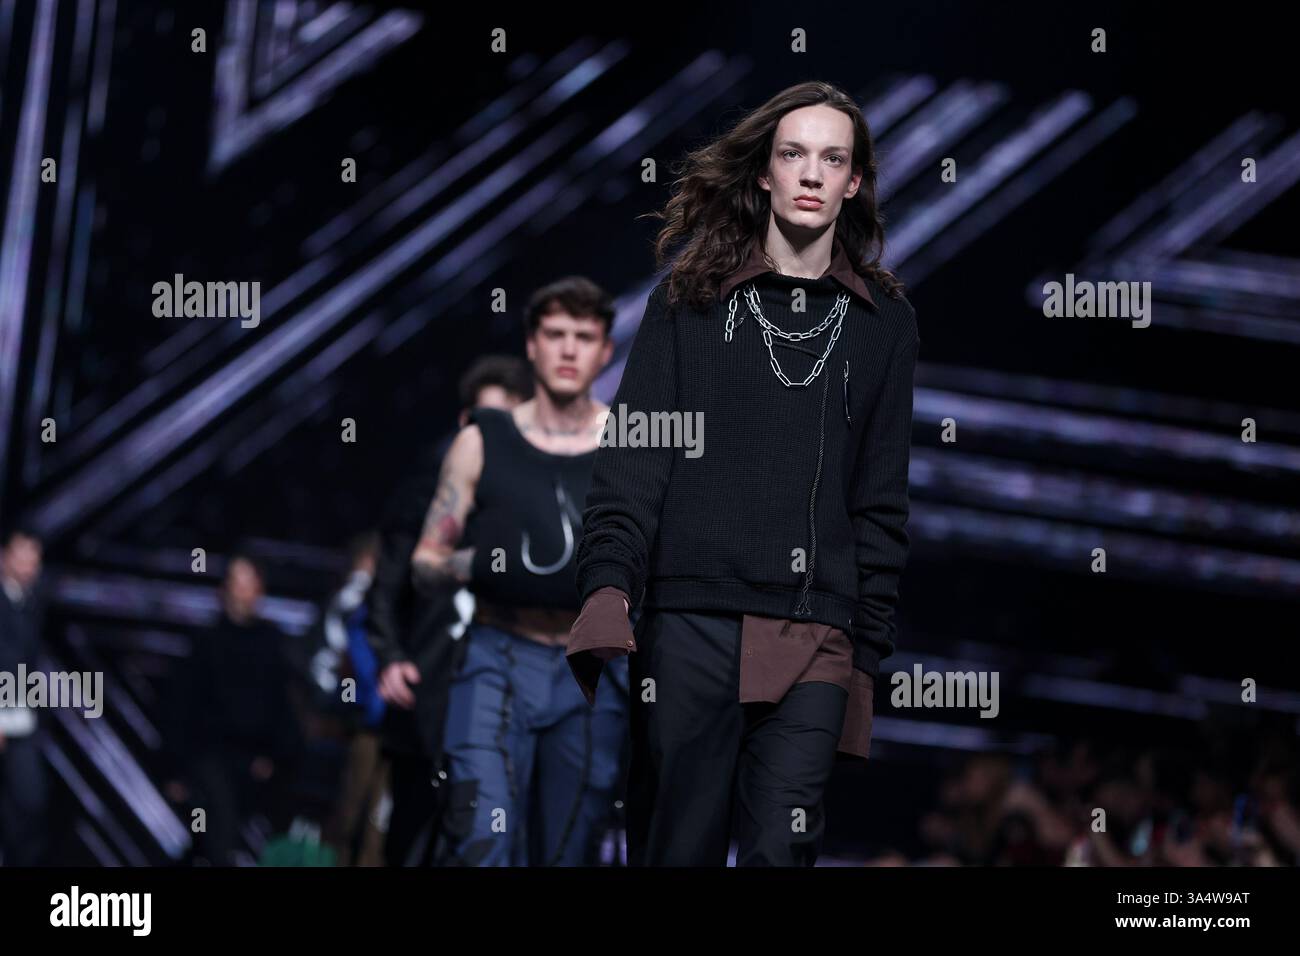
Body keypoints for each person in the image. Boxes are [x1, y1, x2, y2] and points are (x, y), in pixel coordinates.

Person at [567, 80, 920, 866]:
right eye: (793, 153)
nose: (811, 173)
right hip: (694, 624)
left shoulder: (885, 325)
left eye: (833, 159)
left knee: (780, 850)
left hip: (816, 630)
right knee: (678, 848)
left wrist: (866, 655)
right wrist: (608, 587)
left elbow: (881, 501)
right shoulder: (686, 303)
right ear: (763, 170)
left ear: (854, 182)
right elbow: (634, 460)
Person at [412, 279, 628, 866]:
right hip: (496, 657)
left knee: (568, 849)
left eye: (584, 337)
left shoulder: (629, 442)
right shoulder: (482, 441)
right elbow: (425, 561)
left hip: (592, 671)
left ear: (605, 351)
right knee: (484, 839)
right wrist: (480, 563)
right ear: (531, 345)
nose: (568, 349)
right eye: (555, 334)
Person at [366, 355, 531, 866]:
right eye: (485, 421)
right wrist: (390, 656)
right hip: (423, 700)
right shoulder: (423, 500)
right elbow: (386, 589)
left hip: (505, 706)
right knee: (409, 838)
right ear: (464, 423)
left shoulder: (537, 508)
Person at [165, 552, 302, 865]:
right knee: (218, 834)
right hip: (209, 756)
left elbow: (282, 705)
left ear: (260, 590)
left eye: (249, 583)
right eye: (236, 582)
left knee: (235, 836)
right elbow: (181, 705)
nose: (242, 591)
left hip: (255, 760)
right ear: (224, 588)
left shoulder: (272, 643)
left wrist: (273, 755)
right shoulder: (206, 641)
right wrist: (174, 769)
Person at [0, 527, 49, 866]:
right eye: (21, 554)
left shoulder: (32, 603)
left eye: (34, 556)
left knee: (30, 800)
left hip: (20, 715)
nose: (28, 563)